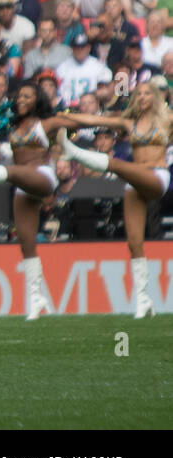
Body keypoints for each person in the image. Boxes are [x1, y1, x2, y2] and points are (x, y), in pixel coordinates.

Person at [0, 83, 93, 319]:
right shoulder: (10, 124)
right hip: (21, 183)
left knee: (12, 172)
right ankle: (36, 299)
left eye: (27, 96)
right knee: (26, 242)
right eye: (19, 95)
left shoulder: (46, 123)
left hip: (42, 177)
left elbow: (80, 122)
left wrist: (114, 121)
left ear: (36, 101)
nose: (20, 99)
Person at [55, 81, 169, 319]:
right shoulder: (128, 122)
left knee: (117, 165)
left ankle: (74, 153)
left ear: (156, 97)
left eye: (148, 93)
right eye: (139, 94)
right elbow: (96, 120)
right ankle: (143, 299)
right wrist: (65, 117)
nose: (143, 97)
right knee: (134, 242)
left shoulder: (167, 119)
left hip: (157, 177)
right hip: (134, 180)